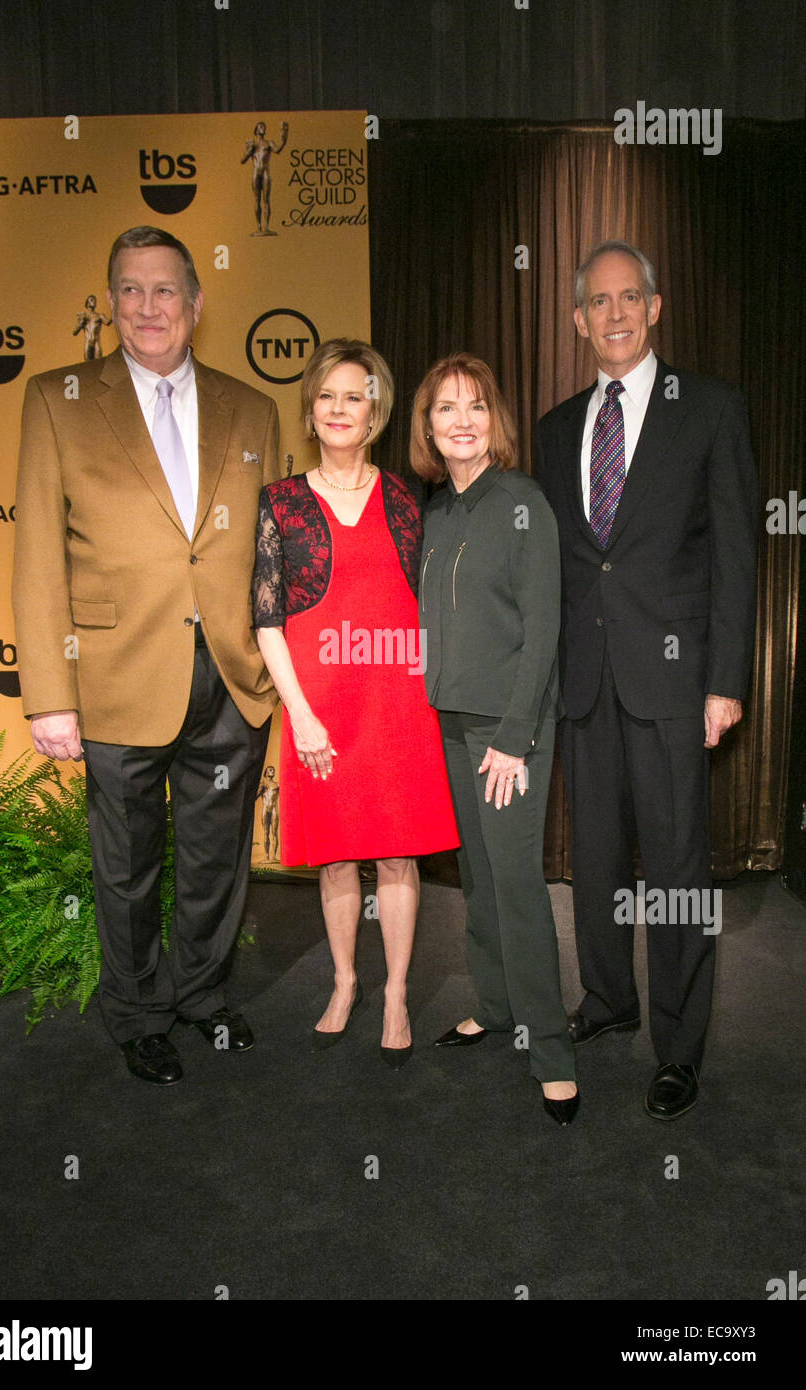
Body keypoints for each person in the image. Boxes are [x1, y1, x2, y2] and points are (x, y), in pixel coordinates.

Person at [12, 226, 280, 1085]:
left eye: (165, 290)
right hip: (115, 673)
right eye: (129, 289)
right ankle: (135, 1013)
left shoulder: (253, 407)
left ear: (196, 305)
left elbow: (272, 556)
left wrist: (282, 673)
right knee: (126, 865)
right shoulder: (55, 398)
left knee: (215, 855)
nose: (147, 307)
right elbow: (36, 561)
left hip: (229, 676)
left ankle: (202, 997)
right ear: (110, 302)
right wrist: (49, 694)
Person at [534, 240, 758, 1120]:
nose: (615, 314)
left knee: (672, 868)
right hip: (584, 682)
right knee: (593, 863)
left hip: (673, 685)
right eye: (598, 302)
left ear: (654, 308)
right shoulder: (557, 430)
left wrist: (724, 681)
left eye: (630, 298)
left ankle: (677, 1044)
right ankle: (606, 1000)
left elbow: (737, 556)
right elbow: (563, 564)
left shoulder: (709, 409)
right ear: (579, 318)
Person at [251, 339, 459, 1067]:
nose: (340, 410)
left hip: (397, 704)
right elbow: (266, 619)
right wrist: (300, 713)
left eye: (355, 396)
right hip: (320, 707)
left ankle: (396, 992)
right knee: (336, 859)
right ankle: (343, 984)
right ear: (310, 411)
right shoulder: (278, 503)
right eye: (327, 397)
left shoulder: (409, 499)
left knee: (399, 856)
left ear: (376, 411)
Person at [411, 352, 579, 1127]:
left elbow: (544, 627)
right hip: (449, 724)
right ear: (428, 427)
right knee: (476, 878)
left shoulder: (523, 503)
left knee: (516, 887)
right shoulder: (436, 511)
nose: (462, 420)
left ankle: (550, 1052)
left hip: (508, 732)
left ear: (494, 422)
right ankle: (494, 1005)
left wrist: (513, 738)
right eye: (446, 408)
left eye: (475, 406)